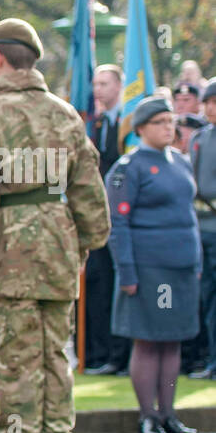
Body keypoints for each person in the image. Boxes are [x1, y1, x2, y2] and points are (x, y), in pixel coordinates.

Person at [0, 18, 111, 433]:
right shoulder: (65, 113)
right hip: (58, 238)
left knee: (13, 350)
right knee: (53, 349)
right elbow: (87, 188)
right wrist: (86, 241)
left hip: (8, 242)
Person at [106, 96, 201, 433]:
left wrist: (197, 262)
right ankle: (148, 415)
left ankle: (169, 412)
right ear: (141, 128)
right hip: (151, 269)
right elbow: (118, 223)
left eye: (170, 121)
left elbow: (187, 215)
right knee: (149, 341)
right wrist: (127, 272)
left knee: (173, 342)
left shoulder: (179, 161)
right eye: (159, 122)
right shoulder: (128, 167)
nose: (168, 127)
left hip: (181, 267)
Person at [85, 64, 131, 375]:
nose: (98, 90)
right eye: (95, 84)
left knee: (120, 284)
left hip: (124, 219)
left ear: (119, 86)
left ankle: (121, 354)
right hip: (98, 216)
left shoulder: (129, 126)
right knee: (98, 284)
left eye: (104, 83)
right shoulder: (96, 124)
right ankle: (97, 352)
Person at [186, 80, 216, 380]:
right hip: (201, 229)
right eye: (207, 102)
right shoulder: (198, 139)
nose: (210, 108)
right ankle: (210, 360)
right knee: (207, 297)